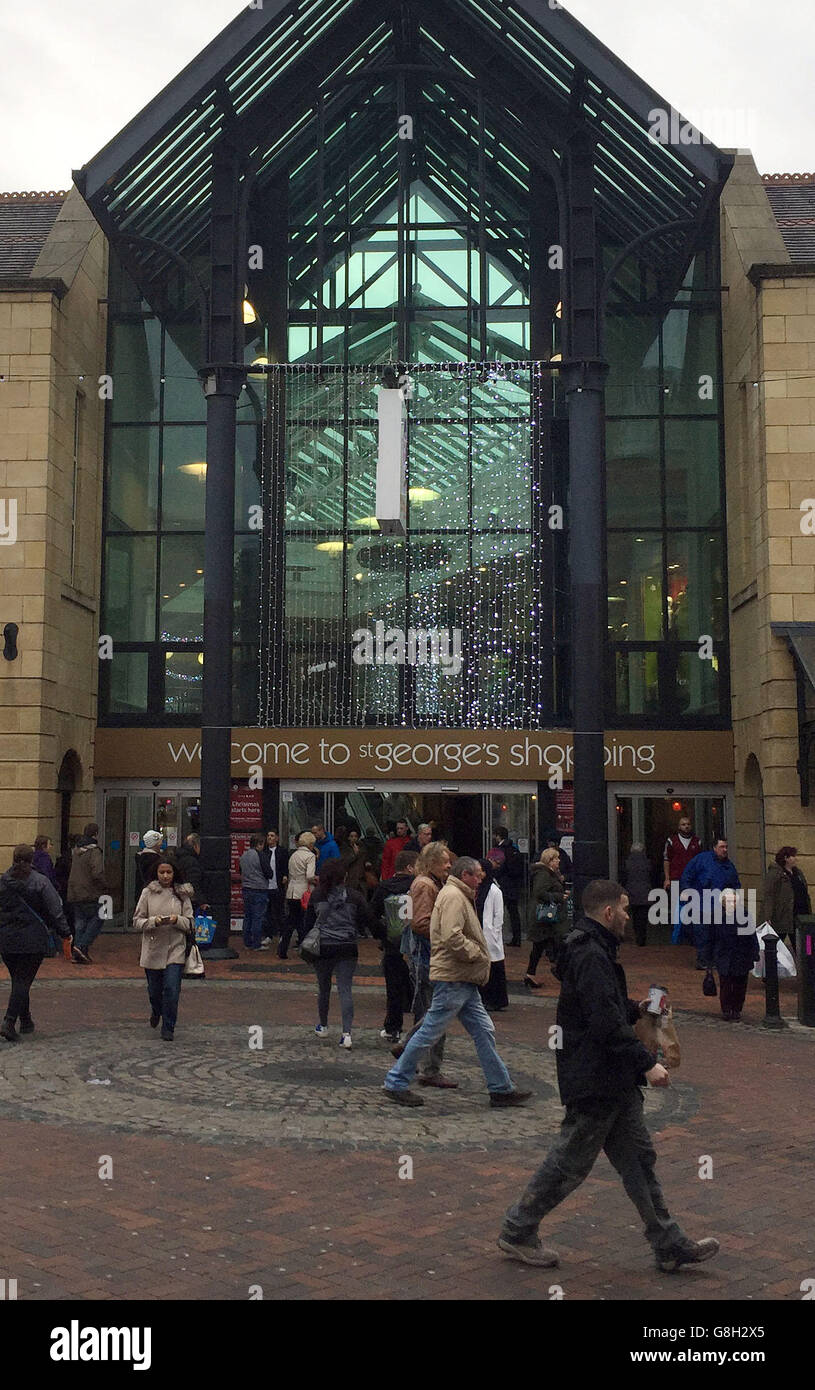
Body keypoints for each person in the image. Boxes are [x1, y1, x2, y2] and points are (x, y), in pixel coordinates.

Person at [498, 879, 720, 1273]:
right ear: (607, 912)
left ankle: (668, 1243)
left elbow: (606, 1008)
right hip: (596, 1078)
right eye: (623, 908)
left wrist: (637, 1007)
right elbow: (603, 1024)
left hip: (611, 1080)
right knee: (569, 1161)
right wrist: (646, 1064)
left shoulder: (595, 951)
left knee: (638, 1160)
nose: (627, 915)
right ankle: (518, 1229)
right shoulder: (591, 955)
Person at [383, 857, 531, 1108]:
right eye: (477, 876)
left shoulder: (456, 893)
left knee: (482, 1030)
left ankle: (500, 1087)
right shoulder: (453, 896)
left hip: (461, 977)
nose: (481, 879)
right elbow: (452, 936)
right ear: (465, 875)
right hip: (455, 976)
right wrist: (477, 953)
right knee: (431, 1029)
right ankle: (396, 1081)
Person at [391, 841, 457, 1090]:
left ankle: (420, 1058)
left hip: (431, 956)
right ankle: (425, 1064)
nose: (449, 865)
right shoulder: (425, 885)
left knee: (437, 1011)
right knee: (436, 1012)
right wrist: (447, 933)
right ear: (431, 862)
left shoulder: (431, 883)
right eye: (444, 861)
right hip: (426, 956)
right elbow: (420, 923)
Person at [0, 845, 71, 1041]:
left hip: (6, 938)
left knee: (19, 980)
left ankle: (26, 1020)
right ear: (32, 860)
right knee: (23, 981)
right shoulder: (40, 882)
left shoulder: (3, 881)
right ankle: (9, 1021)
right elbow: (55, 910)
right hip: (32, 939)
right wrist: (65, 932)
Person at [304, 858, 373, 1047]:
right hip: (347, 946)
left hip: (323, 946)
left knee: (323, 987)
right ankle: (347, 1033)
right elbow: (366, 919)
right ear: (344, 876)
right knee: (345, 989)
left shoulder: (317, 895)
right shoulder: (355, 896)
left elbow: (307, 923)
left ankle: (324, 1026)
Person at [133, 856, 193, 1042]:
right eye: (162, 872)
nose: (165, 876)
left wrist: (178, 920)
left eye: (169, 872)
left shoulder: (182, 894)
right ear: (156, 873)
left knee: (172, 989)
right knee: (154, 990)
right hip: (153, 948)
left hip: (175, 948)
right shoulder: (147, 893)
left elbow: (191, 923)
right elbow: (137, 921)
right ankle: (156, 1010)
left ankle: (169, 1027)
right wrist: (154, 921)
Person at [371, 849, 417, 1042]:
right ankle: (420, 1028)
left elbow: (371, 913)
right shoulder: (417, 886)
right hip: (416, 942)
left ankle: (393, 1027)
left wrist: (382, 934)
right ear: (409, 867)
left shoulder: (385, 887)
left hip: (393, 942)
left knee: (394, 987)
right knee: (421, 987)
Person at [680, 838, 740, 969]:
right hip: (701, 904)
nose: (725, 850)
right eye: (722, 847)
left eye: (726, 847)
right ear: (714, 848)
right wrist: (686, 891)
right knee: (702, 935)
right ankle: (703, 960)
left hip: (719, 907)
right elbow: (687, 875)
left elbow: (735, 885)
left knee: (717, 935)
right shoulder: (702, 860)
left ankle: (713, 960)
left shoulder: (728, 866)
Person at [712, 888, 760, 1022]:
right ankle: (727, 1009)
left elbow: (751, 936)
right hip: (724, 955)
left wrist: (754, 953)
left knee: (740, 984)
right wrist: (709, 956)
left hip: (741, 955)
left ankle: (737, 1009)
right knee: (726, 984)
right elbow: (711, 938)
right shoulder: (717, 917)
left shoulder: (744, 915)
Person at [525, 847, 567, 989]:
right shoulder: (543, 874)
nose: (559, 861)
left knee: (542, 946)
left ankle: (531, 974)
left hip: (546, 918)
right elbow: (540, 892)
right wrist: (559, 897)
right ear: (550, 860)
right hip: (544, 917)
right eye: (556, 858)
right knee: (551, 943)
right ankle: (560, 971)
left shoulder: (550, 873)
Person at [66, 823, 109, 965]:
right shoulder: (94, 851)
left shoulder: (77, 850)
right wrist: (105, 886)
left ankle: (78, 953)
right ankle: (81, 946)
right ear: (95, 834)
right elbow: (97, 872)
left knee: (80, 922)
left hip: (74, 891)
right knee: (99, 917)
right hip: (89, 891)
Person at [761, 847, 807, 951]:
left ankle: (808, 964)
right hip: (783, 916)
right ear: (786, 858)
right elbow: (769, 895)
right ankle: (772, 964)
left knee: (807, 943)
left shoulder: (798, 873)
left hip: (802, 915)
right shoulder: (775, 873)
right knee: (777, 943)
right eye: (793, 856)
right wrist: (767, 916)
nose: (796, 859)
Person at [279, 831, 317, 958]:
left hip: (291, 891)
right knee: (304, 922)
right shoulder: (310, 856)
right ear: (310, 844)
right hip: (303, 892)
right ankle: (305, 949)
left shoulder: (293, 855)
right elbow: (310, 876)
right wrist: (318, 879)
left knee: (292, 921)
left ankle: (282, 948)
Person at [477, 859, 508, 1011]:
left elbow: (498, 915)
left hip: (490, 935)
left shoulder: (495, 890)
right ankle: (484, 998)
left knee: (495, 967)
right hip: (479, 933)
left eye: (482, 871)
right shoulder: (476, 889)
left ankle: (497, 1000)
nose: (480, 874)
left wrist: (495, 933)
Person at [239, 833, 270, 951]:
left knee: (248, 916)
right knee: (257, 917)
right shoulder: (260, 855)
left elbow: (240, 870)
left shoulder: (244, 855)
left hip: (246, 888)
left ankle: (247, 942)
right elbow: (269, 872)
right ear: (260, 844)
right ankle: (256, 943)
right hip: (259, 889)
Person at [495, 828, 524, 947]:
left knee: (498, 913)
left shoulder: (500, 851)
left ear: (498, 836)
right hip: (514, 886)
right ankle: (517, 938)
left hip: (503, 885)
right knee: (514, 913)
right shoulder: (515, 850)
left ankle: (497, 937)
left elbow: (499, 868)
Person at [260, 829, 289, 946]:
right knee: (267, 912)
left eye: (272, 836)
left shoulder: (282, 851)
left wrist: (285, 875)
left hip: (278, 886)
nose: (269, 838)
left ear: (277, 838)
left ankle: (282, 934)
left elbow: (285, 866)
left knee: (280, 911)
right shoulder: (264, 852)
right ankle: (268, 935)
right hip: (266, 886)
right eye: (268, 835)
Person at [623, 842, 652, 947]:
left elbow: (623, 878)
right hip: (645, 894)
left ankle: (632, 939)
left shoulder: (626, 863)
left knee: (632, 918)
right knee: (642, 920)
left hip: (631, 894)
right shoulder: (648, 863)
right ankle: (641, 940)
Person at [174, 833, 206, 913]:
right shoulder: (192, 861)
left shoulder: (178, 857)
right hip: (190, 900)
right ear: (196, 846)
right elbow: (194, 882)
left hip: (177, 898)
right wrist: (201, 901)